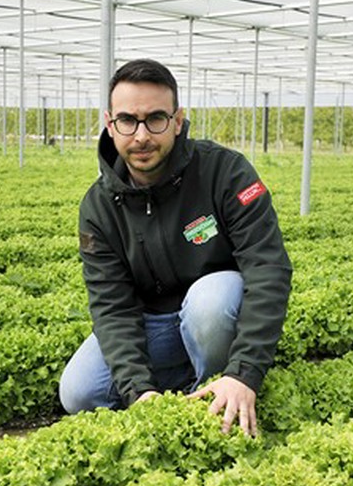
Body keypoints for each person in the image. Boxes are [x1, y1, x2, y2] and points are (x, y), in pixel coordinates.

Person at [59, 58, 292, 437]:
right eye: (127, 121)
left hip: (214, 310)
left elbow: (268, 268)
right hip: (156, 323)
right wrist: (139, 391)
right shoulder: (98, 207)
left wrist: (244, 371)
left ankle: (221, 388)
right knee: (78, 392)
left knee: (210, 302)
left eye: (156, 119)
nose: (141, 136)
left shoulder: (224, 172)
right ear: (109, 123)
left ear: (178, 120)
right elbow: (113, 306)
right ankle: (180, 378)